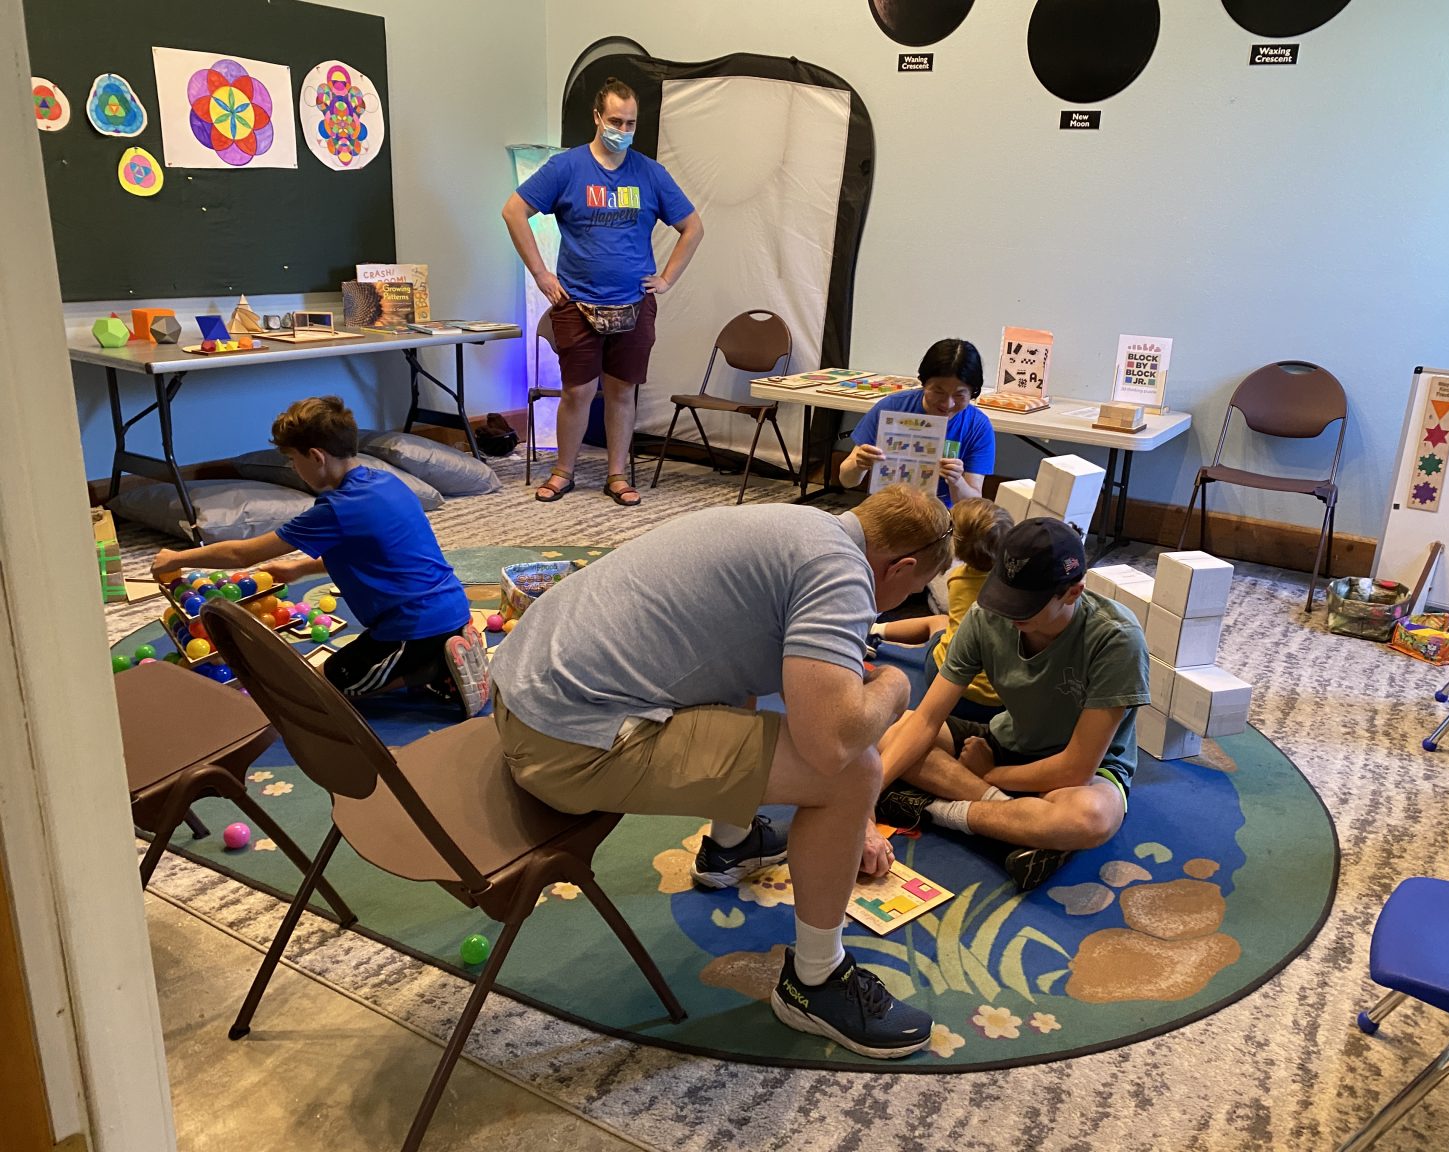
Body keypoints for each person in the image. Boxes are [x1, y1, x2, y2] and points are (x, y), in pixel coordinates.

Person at [490, 485, 952, 1058]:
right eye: (904, 594)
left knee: (740, 672)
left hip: (521, 693)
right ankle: (815, 981)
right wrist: (895, 686)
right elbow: (830, 742)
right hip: (567, 744)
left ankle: (731, 847)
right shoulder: (841, 569)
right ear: (902, 566)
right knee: (854, 772)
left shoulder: (796, 524)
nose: (887, 611)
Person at [150, 397, 489, 718]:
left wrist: (178, 558)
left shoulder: (336, 509)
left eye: (294, 461)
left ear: (316, 456)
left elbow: (243, 553)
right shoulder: (387, 481)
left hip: (414, 627)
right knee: (318, 681)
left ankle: (430, 670)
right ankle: (441, 649)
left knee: (312, 694)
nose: (295, 470)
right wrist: (301, 567)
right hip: (450, 606)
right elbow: (373, 553)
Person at [875, 518, 1150, 892]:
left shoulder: (1117, 638)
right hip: (1004, 741)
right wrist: (864, 800)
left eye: (1025, 606)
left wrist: (990, 775)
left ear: (1072, 592)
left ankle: (936, 811)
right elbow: (925, 720)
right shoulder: (987, 615)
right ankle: (1017, 823)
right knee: (886, 727)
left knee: (1089, 819)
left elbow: (1076, 768)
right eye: (1004, 596)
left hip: (1082, 774)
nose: (1007, 612)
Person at [501, 77, 705, 509]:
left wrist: (666, 278)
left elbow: (692, 227)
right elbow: (514, 210)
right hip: (576, 300)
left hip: (633, 303)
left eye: (630, 123)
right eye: (615, 120)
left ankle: (617, 474)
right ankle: (563, 472)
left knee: (622, 391)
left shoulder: (651, 173)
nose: (623, 130)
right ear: (597, 117)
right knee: (577, 390)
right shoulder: (567, 168)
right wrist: (540, 273)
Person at [866, 497, 1013, 723]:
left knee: (940, 622)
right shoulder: (1020, 589)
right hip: (999, 702)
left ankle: (876, 629)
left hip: (947, 685)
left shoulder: (957, 580)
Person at [839, 338, 995, 508]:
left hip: (941, 517)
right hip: (888, 510)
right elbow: (846, 480)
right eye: (938, 391)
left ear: (973, 392)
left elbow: (973, 504)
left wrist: (957, 482)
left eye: (959, 395)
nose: (947, 404)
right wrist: (858, 465)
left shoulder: (978, 426)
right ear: (923, 383)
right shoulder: (892, 408)